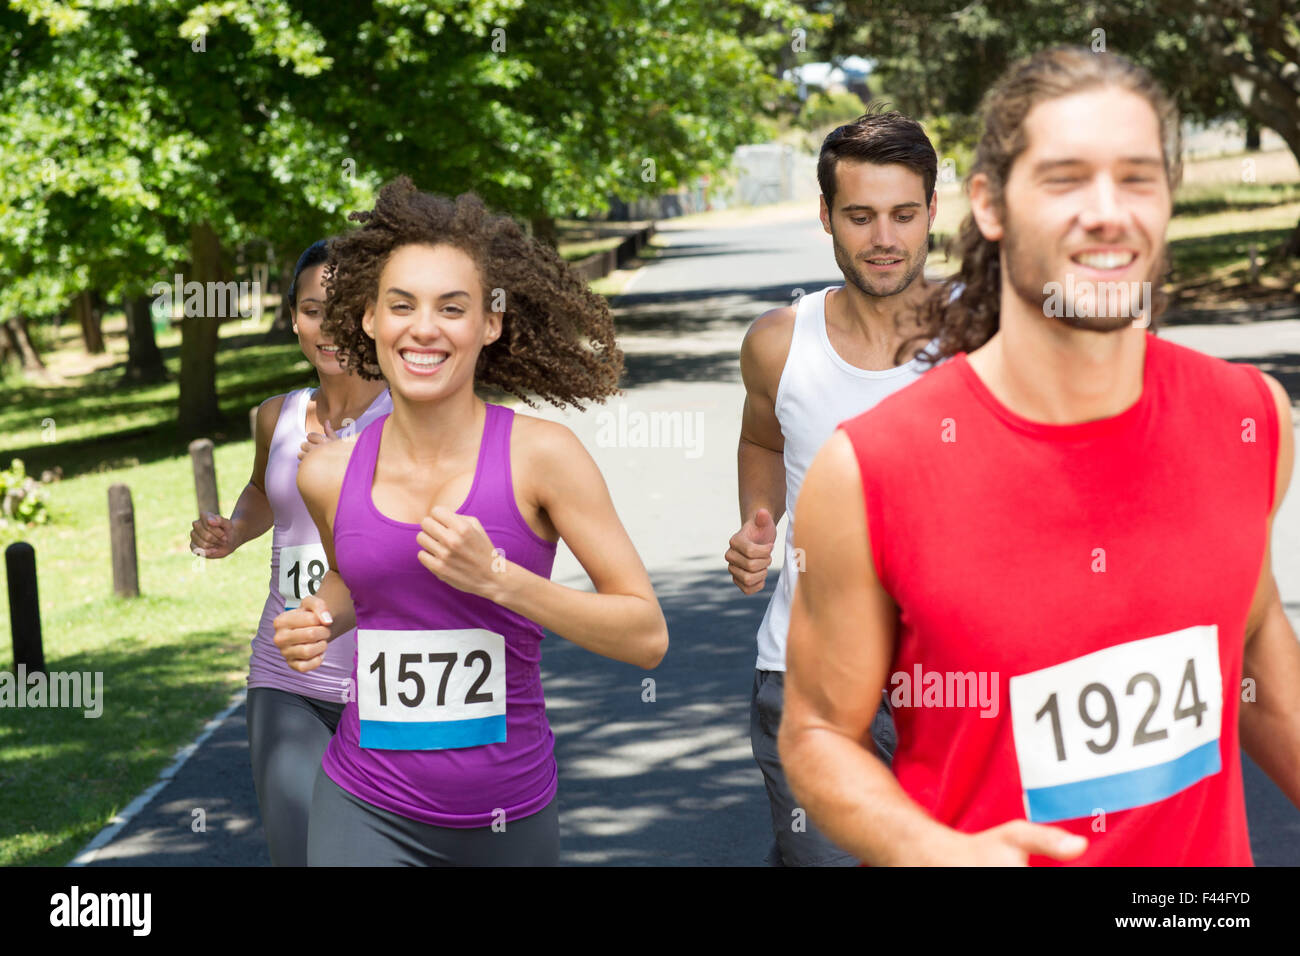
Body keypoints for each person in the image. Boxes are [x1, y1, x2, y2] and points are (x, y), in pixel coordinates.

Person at [779, 46, 1299, 865]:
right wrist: (932, 851)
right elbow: (815, 733)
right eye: (1064, 178)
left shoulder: (1249, 417)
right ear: (989, 205)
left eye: (1137, 177)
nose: (1107, 211)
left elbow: (1260, 670)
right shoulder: (870, 470)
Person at [273, 178, 669, 866]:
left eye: (451, 308)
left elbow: (645, 636)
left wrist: (499, 580)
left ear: (489, 324)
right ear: (368, 319)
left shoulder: (543, 457)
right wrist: (319, 617)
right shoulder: (328, 472)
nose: (423, 327)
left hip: (506, 816)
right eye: (402, 306)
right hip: (364, 802)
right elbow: (355, 580)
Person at [725, 108, 943, 866]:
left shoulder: (985, 343)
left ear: (931, 213)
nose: (884, 238)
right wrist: (761, 520)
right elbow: (763, 437)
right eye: (860, 216)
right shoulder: (778, 343)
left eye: (902, 214)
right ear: (825, 216)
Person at [188, 239, 392, 866]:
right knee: (300, 853)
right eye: (310, 309)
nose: (325, 327)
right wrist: (234, 529)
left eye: (345, 307)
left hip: (388, 681)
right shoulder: (276, 415)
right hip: (287, 676)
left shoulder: (413, 417)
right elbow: (263, 490)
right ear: (293, 317)